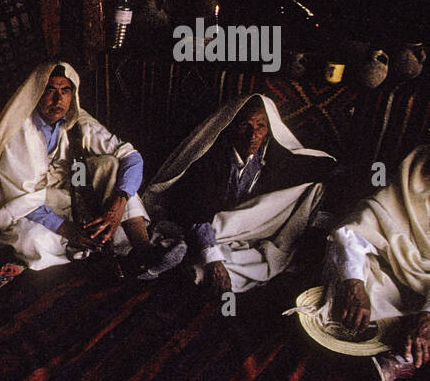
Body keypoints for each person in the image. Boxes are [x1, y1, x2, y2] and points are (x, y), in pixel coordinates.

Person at [0, 61, 182, 273]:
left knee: (111, 166)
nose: (58, 99)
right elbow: (21, 197)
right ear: (36, 93)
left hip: (72, 193)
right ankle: (89, 245)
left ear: (73, 94)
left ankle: (143, 249)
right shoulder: (20, 130)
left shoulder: (76, 120)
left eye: (65, 91)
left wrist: (119, 203)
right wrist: (68, 230)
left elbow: (131, 156)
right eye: (49, 90)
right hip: (29, 204)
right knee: (33, 241)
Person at [143, 95, 333, 293]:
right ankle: (198, 266)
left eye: (261, 126)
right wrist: (214, 259)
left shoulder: (270, 156)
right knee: (202, 245)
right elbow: (198, 211)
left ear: (269, 130)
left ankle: (195, 270)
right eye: (246, 125)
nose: (253, 135)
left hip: (242, 228)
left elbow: (314, 171)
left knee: (271, 253)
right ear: (231, 126)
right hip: (211, 223)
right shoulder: (210, 158)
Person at [324, 144, 430, 381]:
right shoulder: (415, 169)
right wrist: (355, 285)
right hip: (401, 270)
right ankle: (404, 345)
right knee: (352, 274)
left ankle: (404, 358)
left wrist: (427, 315)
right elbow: (360, 225)